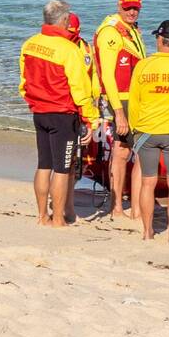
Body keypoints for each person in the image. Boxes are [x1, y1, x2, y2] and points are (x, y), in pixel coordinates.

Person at [18, 0, 99, 229]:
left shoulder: (30, 44)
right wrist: (91, 120)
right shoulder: (69, 50)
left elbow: (24, 82)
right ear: (64, 20)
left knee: (44, 165)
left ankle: (42, 215)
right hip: (62, 114)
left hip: (39, 113)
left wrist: (32, 101)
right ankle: (58, 219)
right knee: (62, 169)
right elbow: (80, 90)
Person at [127, 21, 169, 243]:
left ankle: (147, 232)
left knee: (148, 183)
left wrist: (134, 131)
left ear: (159, 39)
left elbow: (134, 101)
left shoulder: (143, 66)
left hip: (146, 131)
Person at [93, 0, 147, 220]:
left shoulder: (132, 29)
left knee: (139, 151)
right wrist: (119, 113)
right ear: (119, 5)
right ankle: (117, 207)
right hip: (122, 99)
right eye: (127, 7)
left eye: (135, 8)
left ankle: (135, 207)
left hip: (135, 98)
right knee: (122, 152)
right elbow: (108, 76)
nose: (132, 11)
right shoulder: (111, 34)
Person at [63, 12, 101, 224]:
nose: (71, 37)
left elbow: (92, 78)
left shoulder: (85, 49)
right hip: (63, 110)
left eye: (74, 34)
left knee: (76, 162)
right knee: (63, 163)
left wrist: (94, 111)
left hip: (83, 110)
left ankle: (68, 201)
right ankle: (64, 204)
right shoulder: (58, 48)